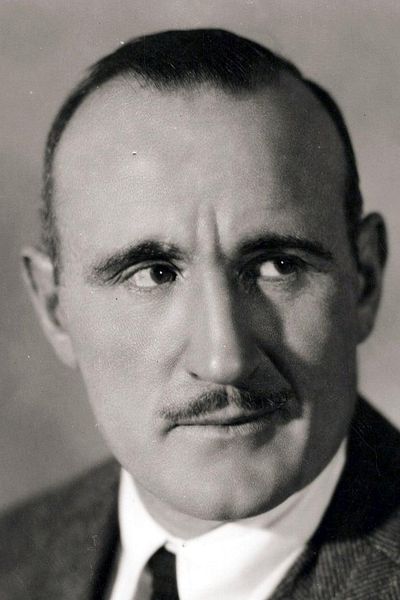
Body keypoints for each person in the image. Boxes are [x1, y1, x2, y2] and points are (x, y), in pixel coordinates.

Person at [1, 28, 399, 599]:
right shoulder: (14, 557)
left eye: (278, 265)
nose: (223, 359)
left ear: (365, 279)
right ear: (54, 307)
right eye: (153, 274)